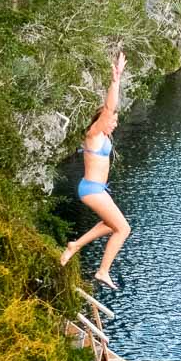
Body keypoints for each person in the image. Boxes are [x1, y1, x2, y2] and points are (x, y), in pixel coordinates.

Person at [59, 50, 132, 290]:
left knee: (111, 225)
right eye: (112, 120)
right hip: (91, 189)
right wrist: (116, 80)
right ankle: (102, 271)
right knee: (123, 229)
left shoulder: (102, 137)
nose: (114, 122)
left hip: (97, 188)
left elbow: (111, 112)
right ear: (100, 119)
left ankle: (75, 245)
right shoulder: (93, 135)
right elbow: (109, 108)